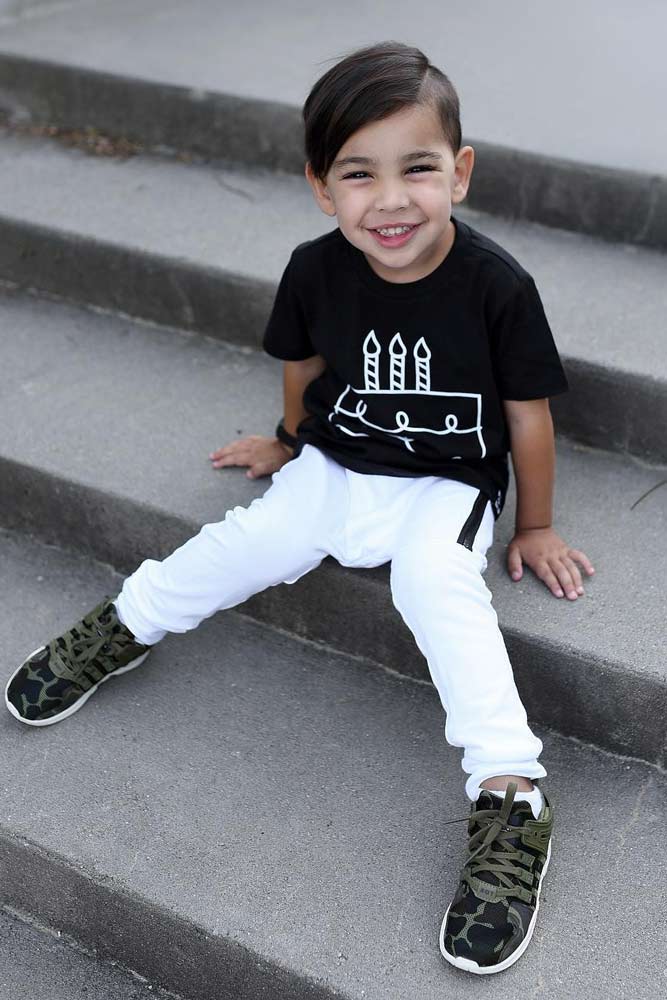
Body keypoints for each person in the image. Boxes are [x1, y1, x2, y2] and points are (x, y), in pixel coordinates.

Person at [5, 40, 594, 976]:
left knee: (434, 581)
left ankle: (510, 788)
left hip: (445, 484)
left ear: (461, 173)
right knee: (247, 540)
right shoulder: (317, 269)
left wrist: (531, 522)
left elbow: (528, 416)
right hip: (333, 463)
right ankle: (126, 623)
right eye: (359, 174)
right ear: (322, 187)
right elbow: (305, 363)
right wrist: (287, 439)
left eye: (418, 169)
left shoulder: (496, 286)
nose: (390, 199)